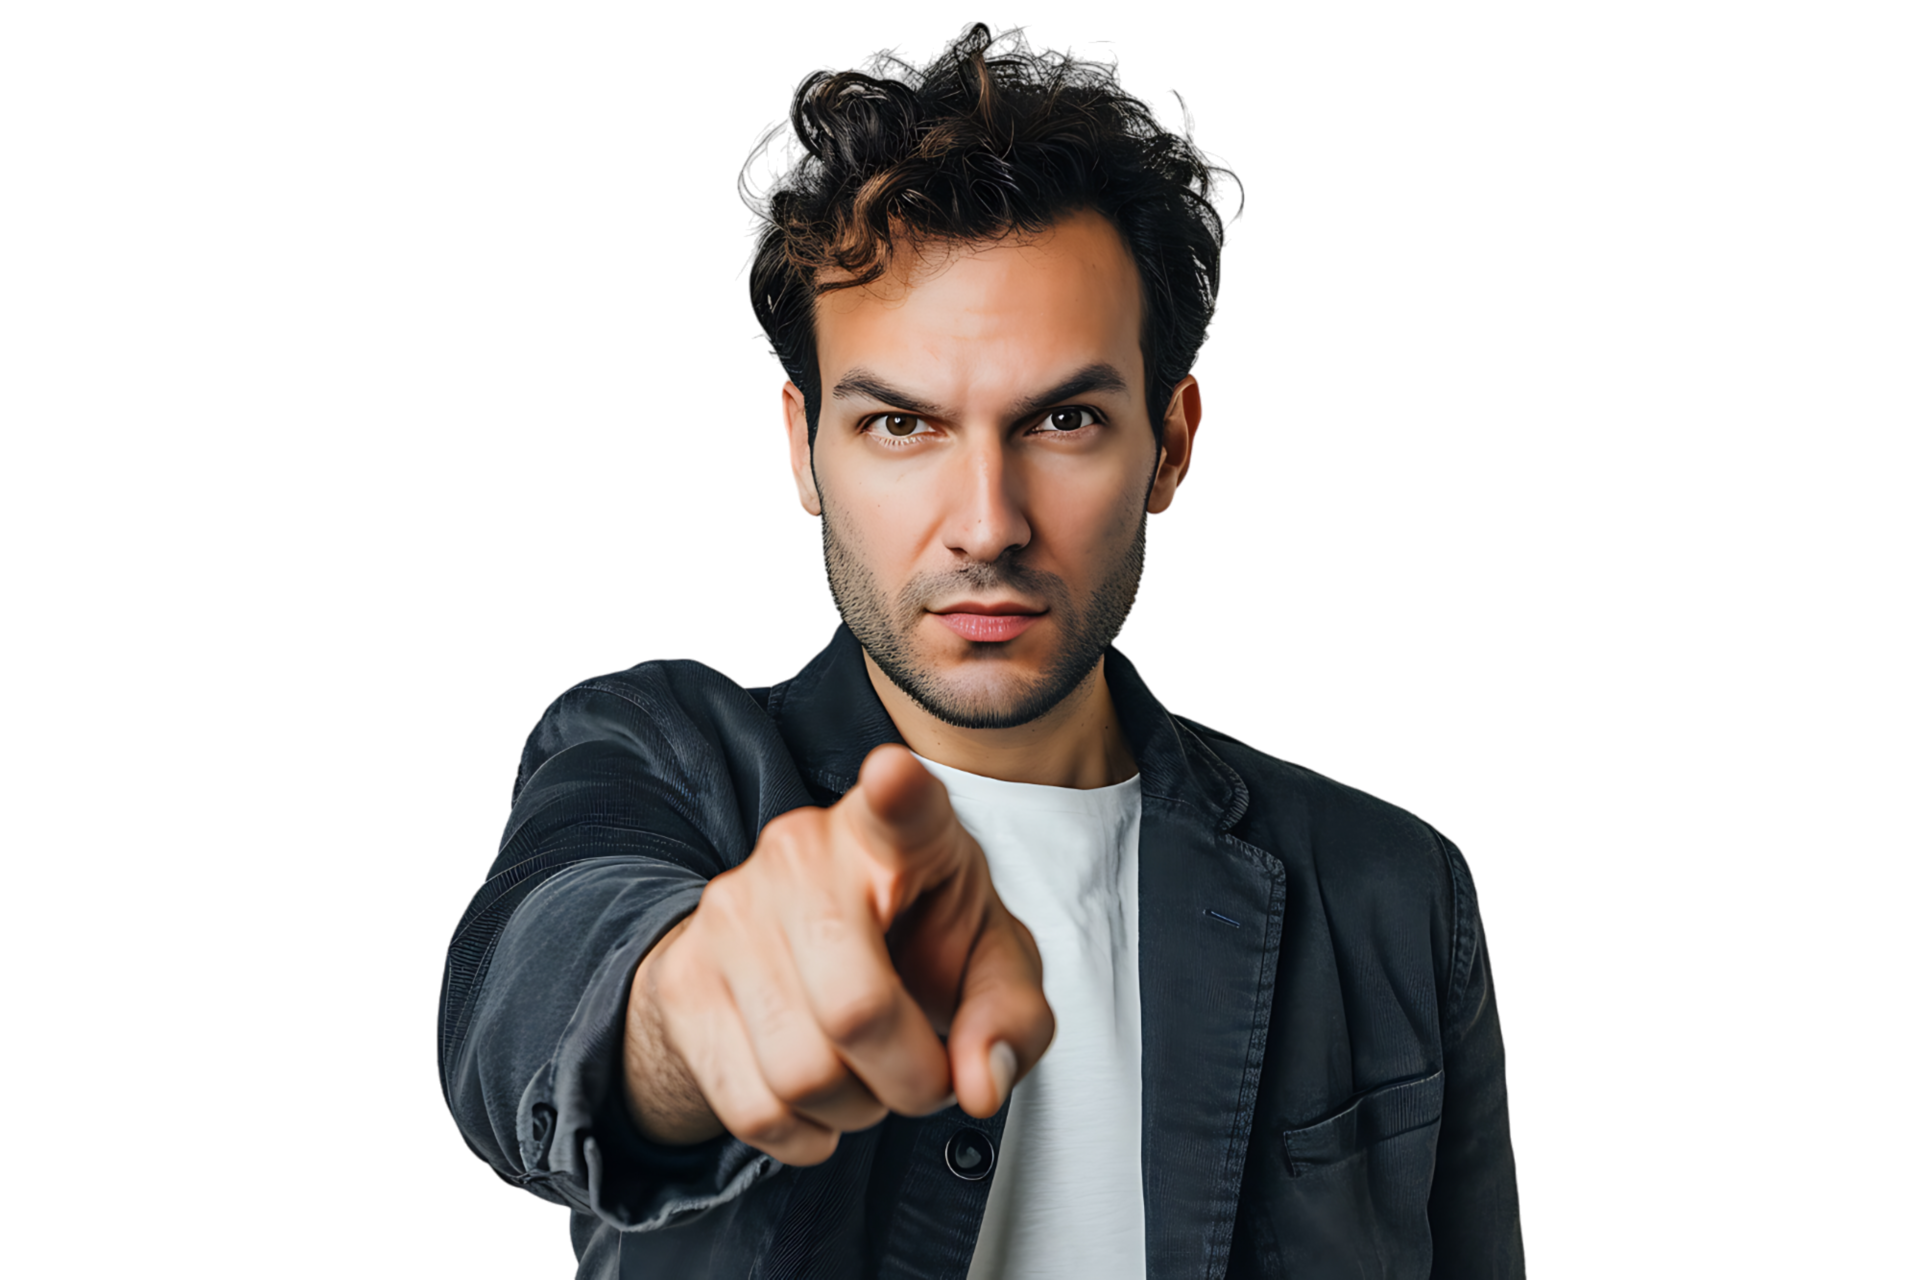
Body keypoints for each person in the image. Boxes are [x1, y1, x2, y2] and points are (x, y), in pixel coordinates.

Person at [436, 21, 1523, 1278]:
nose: (989, 524)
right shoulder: (661, 758)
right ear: (801, 447)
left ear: (1171, 443)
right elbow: (542, 980)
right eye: (902, 422)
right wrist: (690, 1009)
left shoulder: (1393, 891)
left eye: (1064, 418)